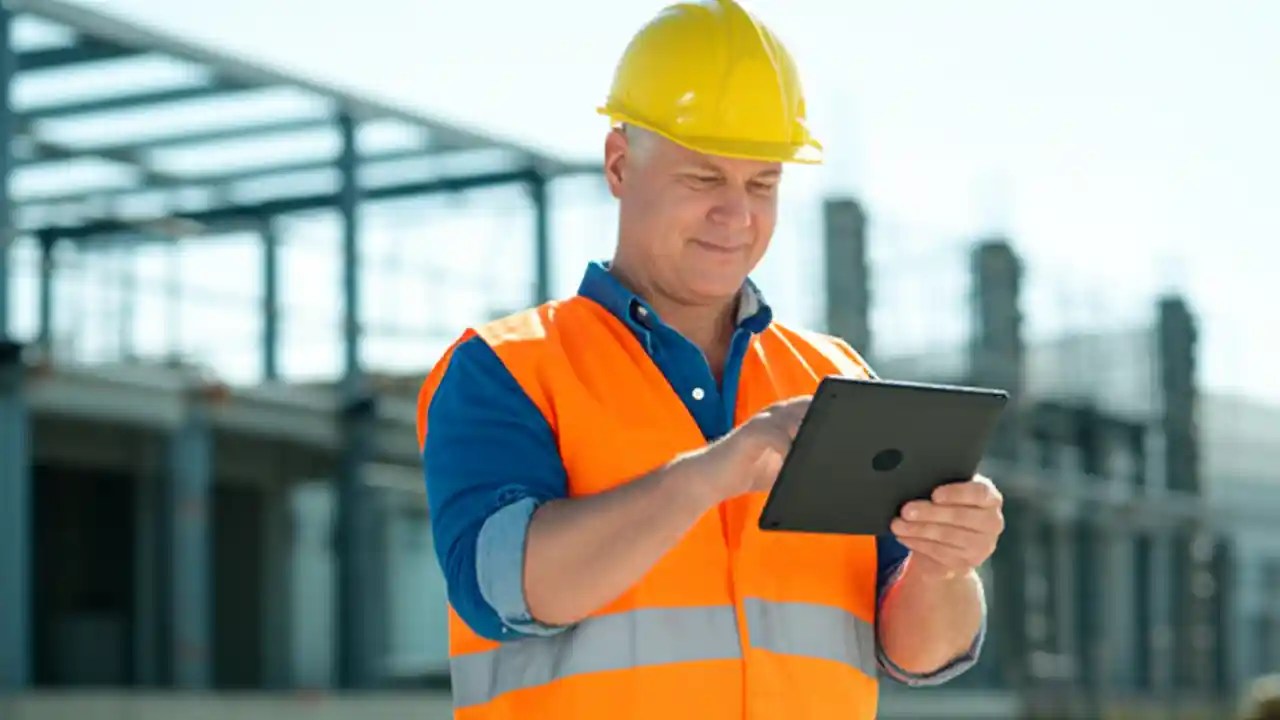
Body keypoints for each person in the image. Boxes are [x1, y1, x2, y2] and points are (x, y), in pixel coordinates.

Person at [416, 1, 1005, 717]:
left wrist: (945, 565)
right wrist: (711, 474)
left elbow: (915, 653)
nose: (738, 216)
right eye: (703, 179)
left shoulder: (836, 380)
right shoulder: (507, 369)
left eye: (763, 183)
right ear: (619, 164)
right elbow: (502, 589)